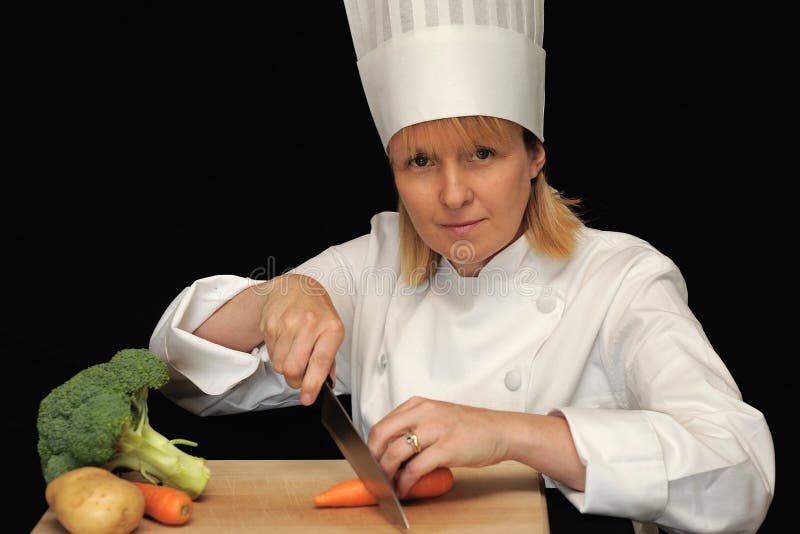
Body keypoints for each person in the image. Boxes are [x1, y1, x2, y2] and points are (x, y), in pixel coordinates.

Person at [148, 1, 774, 532]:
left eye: (482, 153)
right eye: (419, 162)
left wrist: (507, 434)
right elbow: (183, 380)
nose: (452, 195)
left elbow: (740, 476)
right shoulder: (379, 263)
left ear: (533, 156)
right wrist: (281, 295)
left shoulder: (620, 279)